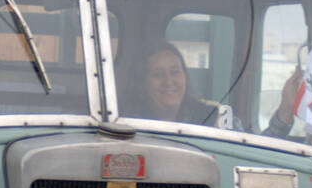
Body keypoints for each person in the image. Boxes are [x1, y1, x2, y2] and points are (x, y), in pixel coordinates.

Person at [123, 40, 300, 135]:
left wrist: (285, 110)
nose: (169, 81)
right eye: (158, 74)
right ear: (142, 82)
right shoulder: (127, 123)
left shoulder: (216, 117)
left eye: (175, 72)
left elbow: (256, 157)